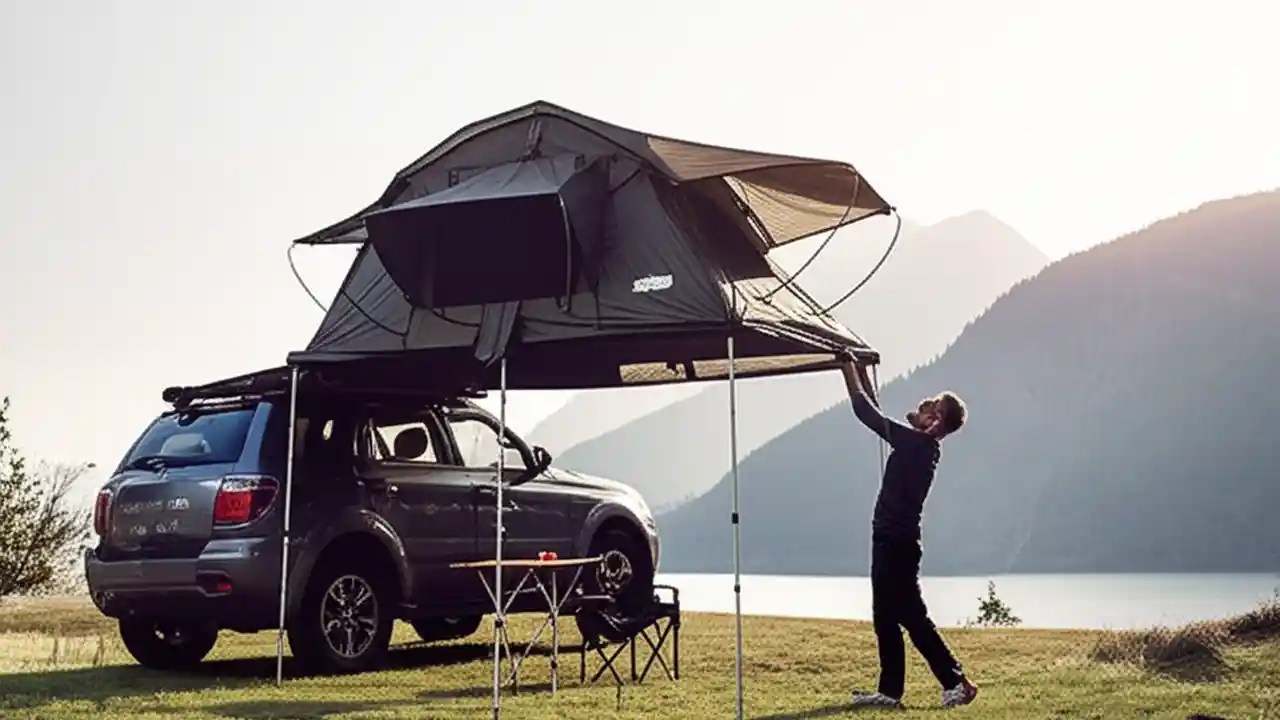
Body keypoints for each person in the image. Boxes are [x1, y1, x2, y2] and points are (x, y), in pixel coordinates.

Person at [836, 349, 978, 709]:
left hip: (895, 542)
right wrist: (858, 368)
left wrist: (846, 368)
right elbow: (878, 411)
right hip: (894, 540)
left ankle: (955, 681)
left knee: (908, 616)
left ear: (935, 420)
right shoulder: (923, 446)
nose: (923, 403)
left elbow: (866, 412)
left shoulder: (917, 444)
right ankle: (891, 692)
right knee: (887, 615)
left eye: (931, 404)